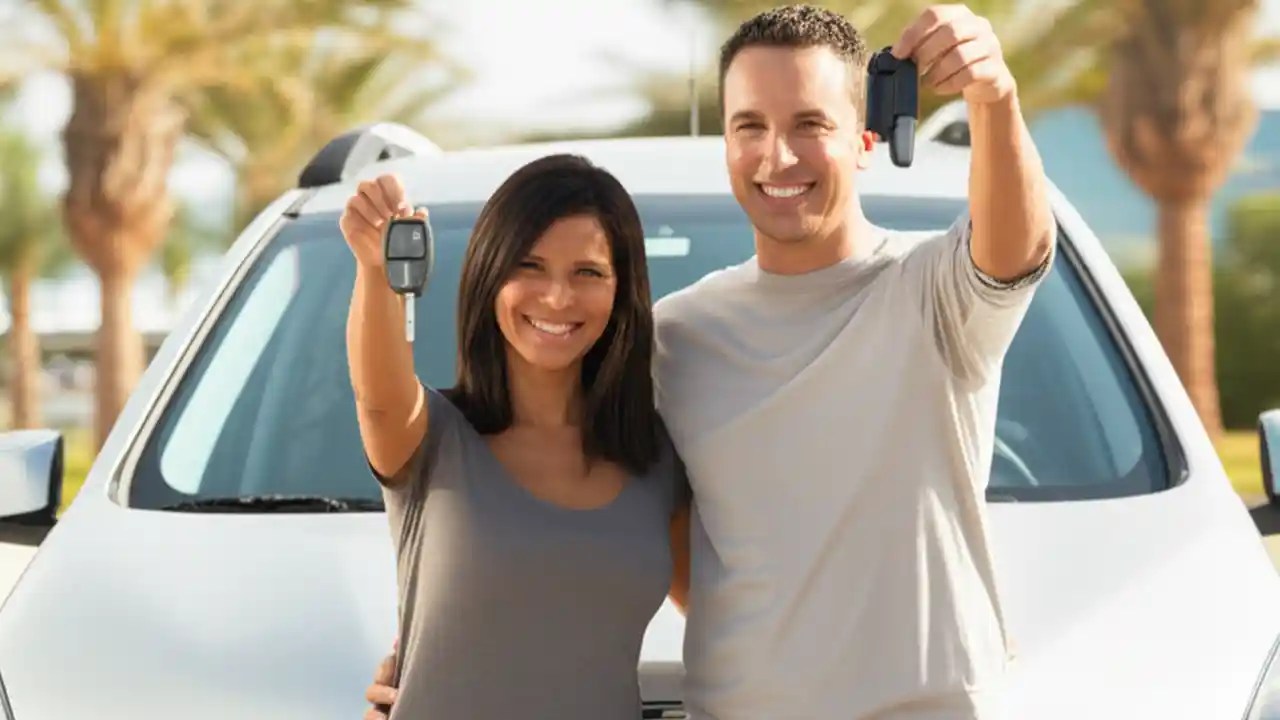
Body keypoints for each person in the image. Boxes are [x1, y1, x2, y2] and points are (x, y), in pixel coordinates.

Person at [364, 4, 1054, 719]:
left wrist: (994, 97)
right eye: (749, 126)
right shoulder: (672, 340)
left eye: (810, 125)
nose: (777, 156)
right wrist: (437, 661)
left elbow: (1013, 249)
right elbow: (571, 503)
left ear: (865, 138)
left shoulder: (932, 294)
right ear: (725, 141)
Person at [344, 153, 692, 719]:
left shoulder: (655, 461)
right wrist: (375, 269)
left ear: (620, 290)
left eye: (588, 272)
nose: (557, 298)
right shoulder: (430, 441)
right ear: (489, 274)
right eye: (529, 266)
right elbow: (376, 394)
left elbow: (730, 619)